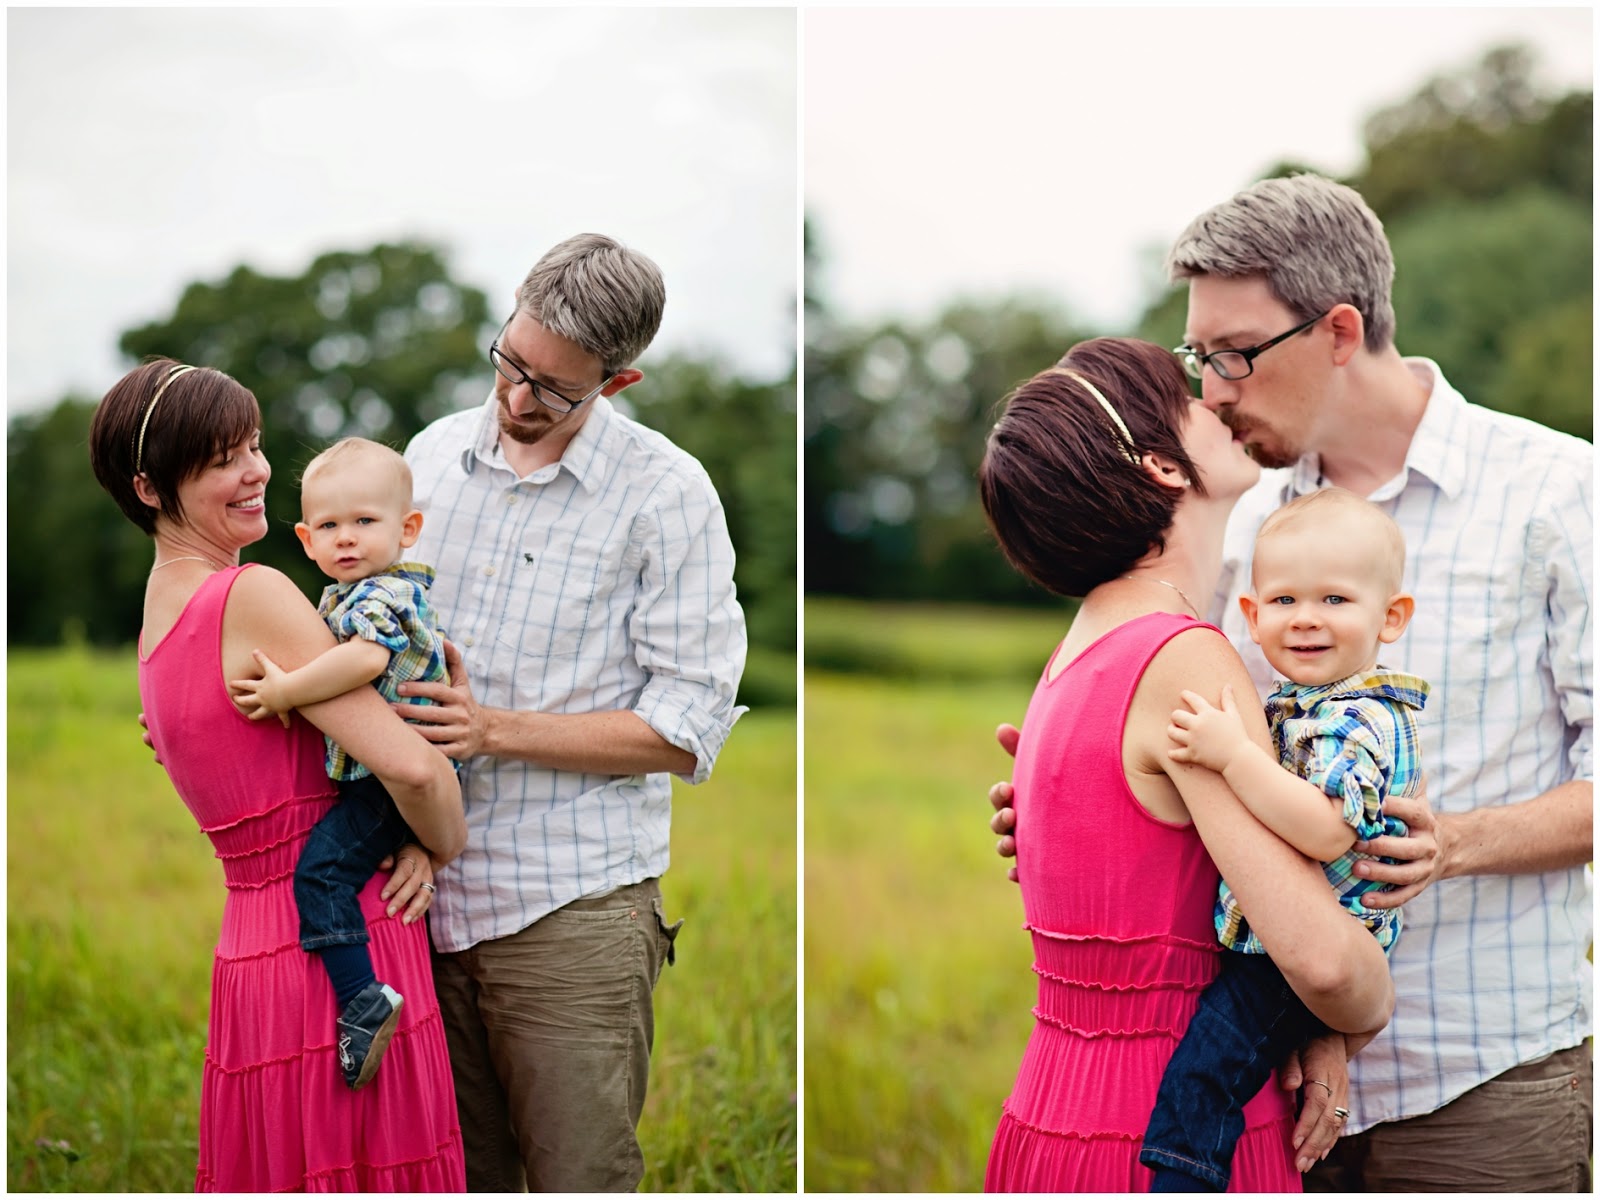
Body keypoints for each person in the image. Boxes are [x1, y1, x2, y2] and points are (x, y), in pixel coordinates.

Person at [991, 173, 1592, 1191]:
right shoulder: (1236, 515)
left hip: (1479, 1077)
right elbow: (1193, 758)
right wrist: (1082, 806)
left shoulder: (1558, 492)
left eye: (1234, 353)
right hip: (1258, 1075)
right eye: (1199, 358)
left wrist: (1451, 844)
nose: (1214, 389)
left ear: (1339, 331)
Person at [977, 336, 1394, 1193]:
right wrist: (1369, 1000)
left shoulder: (1075, 651)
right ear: (1163, 466)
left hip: (1052, 1111)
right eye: (1187, 391)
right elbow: (1323, 962)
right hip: (1176, 1133)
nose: (1216, 397)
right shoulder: (1184, 655)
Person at [390, 233, 747, 1191]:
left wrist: (493, 729)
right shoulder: (426, 459)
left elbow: (687, 725)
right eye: (510, 362)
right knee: (450, 1177)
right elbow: (372, 643)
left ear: (618, 382)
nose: (517, 400)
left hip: (570, 911)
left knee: (576, 1177)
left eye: (554, 389)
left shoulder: (668, 496)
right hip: (416, 899)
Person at [90, 361, 468, 1191]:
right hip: (347, 947)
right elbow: (414, 769)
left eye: (254, 446)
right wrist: (438, 846)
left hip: (251, 956)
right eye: (223, 460)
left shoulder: (154, 625)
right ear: (150, 489)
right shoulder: (251, 593)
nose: (257, 471)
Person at [1141, 488, 1429, 1191]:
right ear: (1251, 614)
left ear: (1391, 617)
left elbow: (1327, 831)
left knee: (1206, 1072)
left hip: (1302, 948)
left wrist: (1234, 756)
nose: (1305, 618)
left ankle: (1183, 1177)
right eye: (1284, 600)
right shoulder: (1307, 705)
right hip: (1289, 938)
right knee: (1227, 1064)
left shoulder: (1354, 718)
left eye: (1335, 599)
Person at [229, 436, 453, 1092]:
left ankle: (361, 997)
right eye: (328, 526)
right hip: (383, 775)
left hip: (393, 779)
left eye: (364, 520)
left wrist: (285, 693)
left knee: (322, 873)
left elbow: (365, 660)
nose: (346, 537)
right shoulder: (342, 597)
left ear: (407, 529)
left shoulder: (383, 595)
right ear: (305, 539)